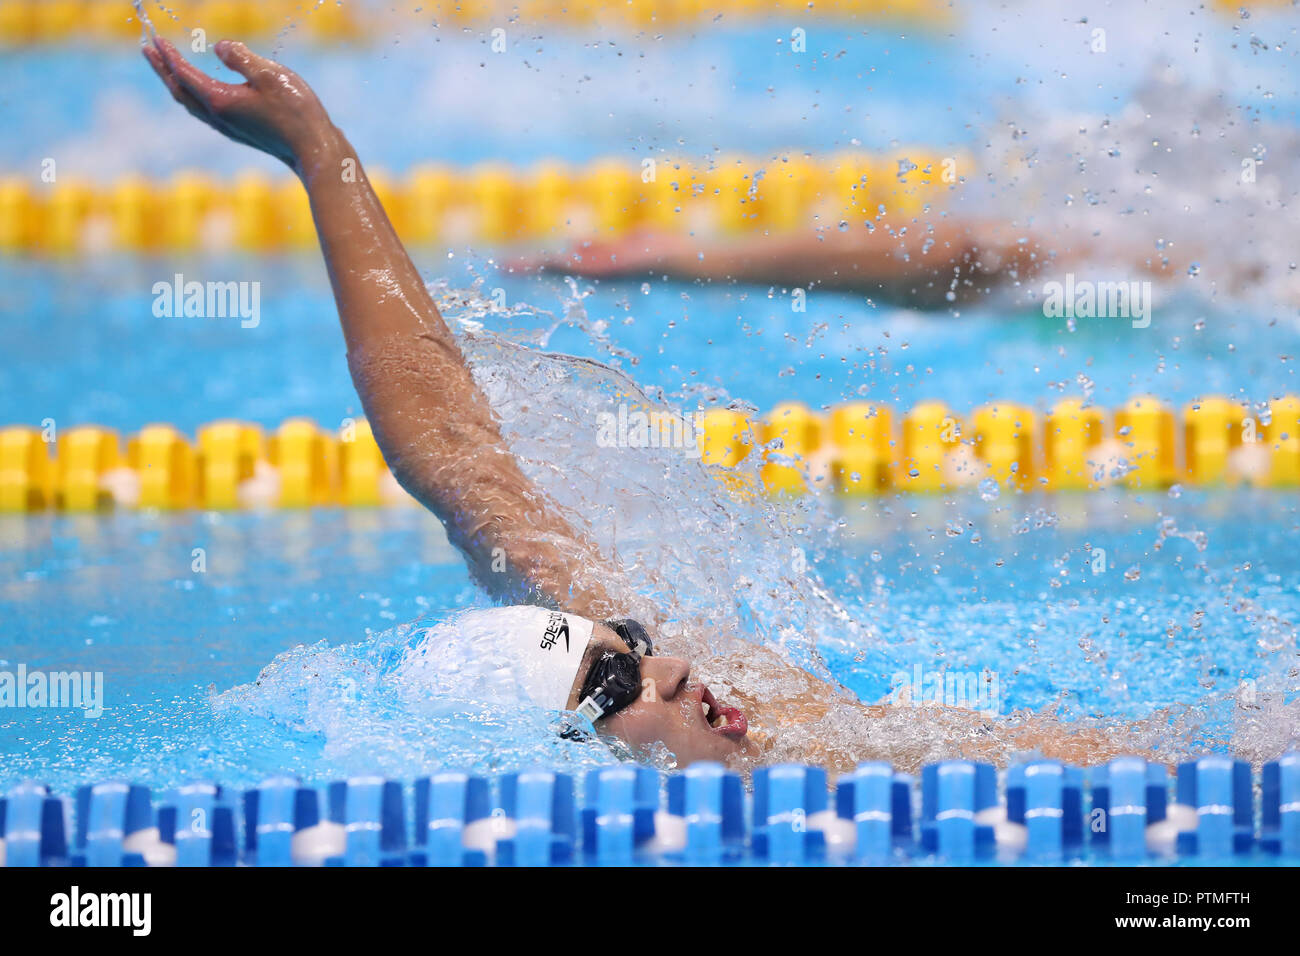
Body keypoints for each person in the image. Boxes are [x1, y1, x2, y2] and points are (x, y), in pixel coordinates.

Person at [143, 36, 1150, 773]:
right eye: (611, 686)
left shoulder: (747, 706)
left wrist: (320, 152)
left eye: (626, 652)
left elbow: (447, 448)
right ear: (572, 753)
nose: (662, 669)